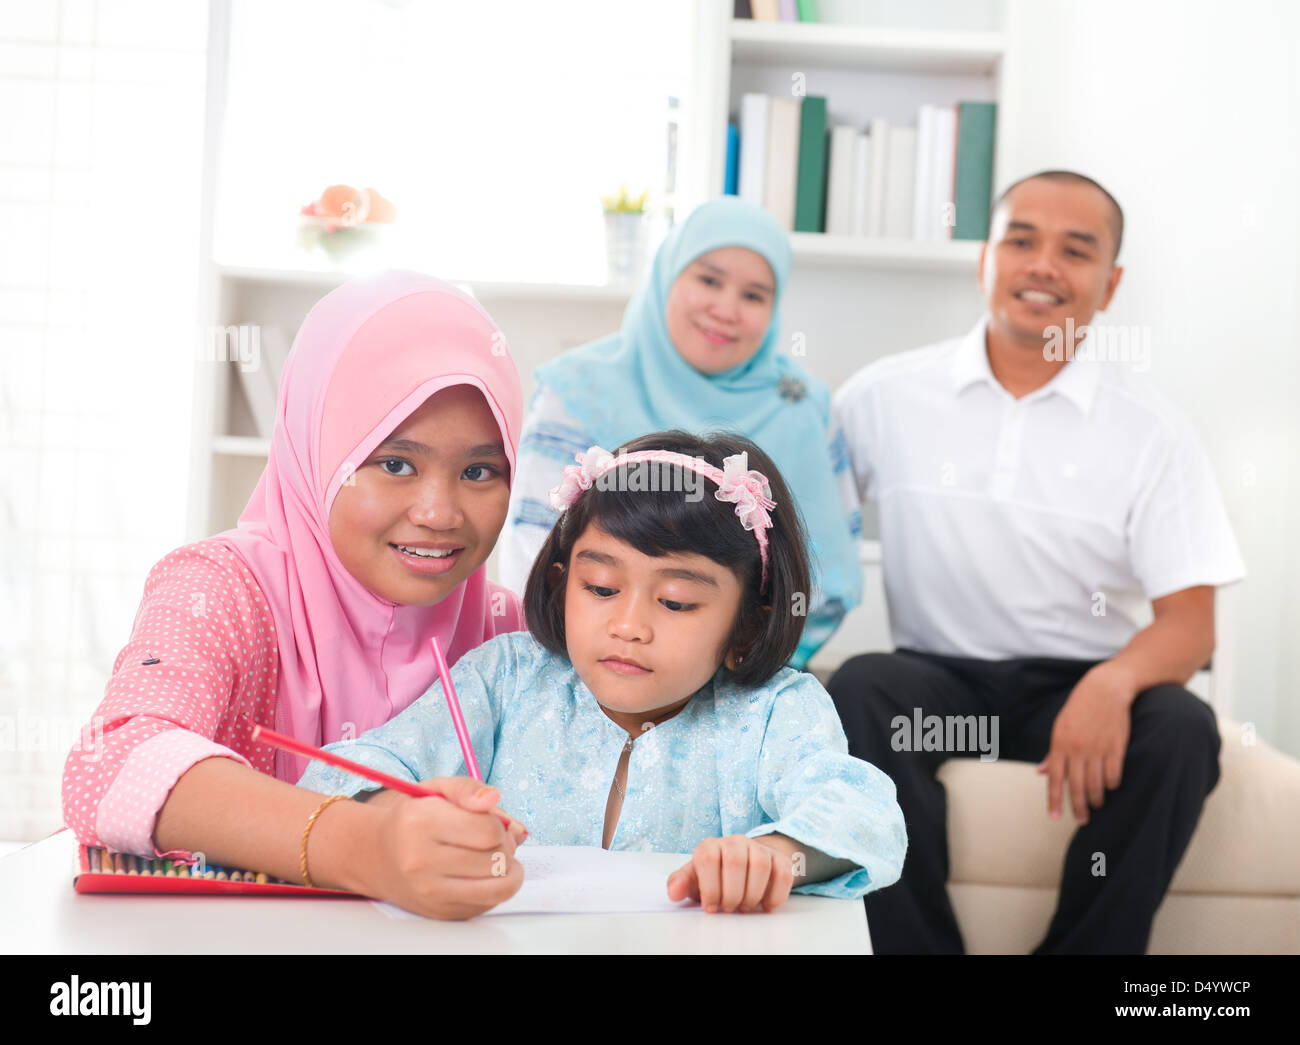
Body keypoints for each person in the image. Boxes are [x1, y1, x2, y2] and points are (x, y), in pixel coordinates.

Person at [828, 170, 1245, 953]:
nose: (1043, 265)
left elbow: (1191, 624)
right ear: (987, 257)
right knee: (859, 687)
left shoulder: (1152, 430)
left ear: (1109, 285)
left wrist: (1113, 681)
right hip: (942, 683)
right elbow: (805, 544)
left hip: (1079, 692)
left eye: (1075, 250)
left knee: (1183, 728)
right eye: (1021, 240)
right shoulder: (883, 397)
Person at [62, 271, 532, 920]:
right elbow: (111, 763)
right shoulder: (219, 590)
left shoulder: (509, 628)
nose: (438, 512)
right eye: (395, 463)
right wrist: (363, 843)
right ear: (318, 448)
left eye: (480, 470)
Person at [300, 430, 907, 916]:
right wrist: (402, 814)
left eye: (674, 602)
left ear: (746, 627)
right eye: (600, 587)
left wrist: (779, 855)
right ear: (564, 584)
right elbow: (337, 773)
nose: (628, 625)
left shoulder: (774, 711)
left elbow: (867, 815)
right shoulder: (507, 677)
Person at [500, 196, 862, 670]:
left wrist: (736, 658)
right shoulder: (579, 387)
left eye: (754, 295)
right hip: (593, 666)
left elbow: (829, 565)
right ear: (668, 276)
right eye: (709, 280)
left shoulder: (804, 405)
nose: (727, 308)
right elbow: (533, 545)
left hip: (753, 672)